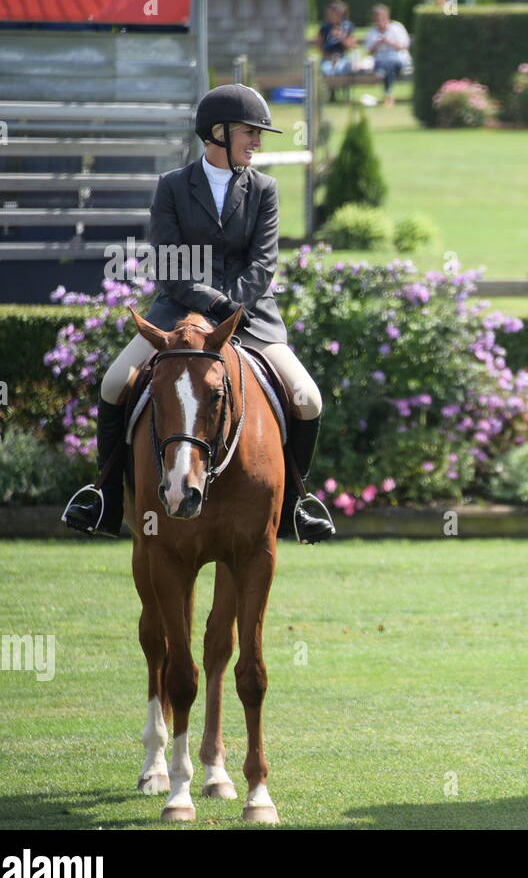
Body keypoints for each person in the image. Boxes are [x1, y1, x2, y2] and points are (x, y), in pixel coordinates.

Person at [62, 84, 336, 544]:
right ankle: (104, 494)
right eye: (250, 132)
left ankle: (295, 503)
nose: (258, 142)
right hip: (177, 314)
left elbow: (263, 264)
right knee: (114, 383)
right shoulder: (172, 187)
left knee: (308, 398)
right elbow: (169, 264)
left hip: (250, 320)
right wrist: (211, 305)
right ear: (218, 133)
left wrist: (230, 310)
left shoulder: (264, 190)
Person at [364, 4, 411, 107]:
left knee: (389, 62)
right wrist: (377, 44)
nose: (379, 21)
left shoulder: (397, 28)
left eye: (382, 17)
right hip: (380, 60)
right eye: (377, 18)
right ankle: (388, 96)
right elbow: (369, 52)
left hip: (398, 58)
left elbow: (404, 46)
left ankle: (385, 87)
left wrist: (389, 42)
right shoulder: (372, 31)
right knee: (386, 64)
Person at [318, 0, 356, 77]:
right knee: (327, 70)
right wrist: (328, 57)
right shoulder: (325, 27)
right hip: (328, 58)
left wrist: (340, 36)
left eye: (333, 13)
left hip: (343, 57)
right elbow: (319, 45)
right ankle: (330, 88)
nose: (330, 16)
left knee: (340, 69)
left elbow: (351, 46)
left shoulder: (347, 26)